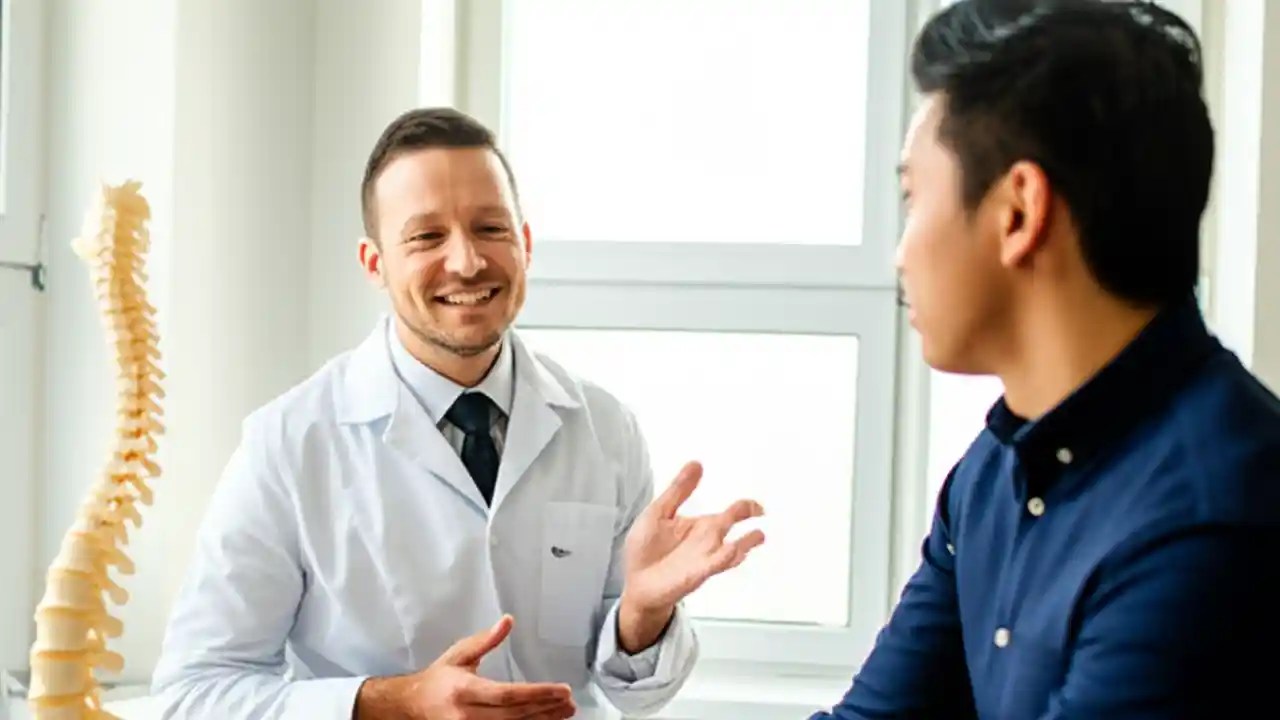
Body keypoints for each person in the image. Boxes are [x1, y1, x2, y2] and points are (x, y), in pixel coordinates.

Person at [150, 107, 767, 720]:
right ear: (375, 264)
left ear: (524, 244)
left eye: (490, 228)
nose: (467, 262)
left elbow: (640, 692)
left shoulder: (604, 428)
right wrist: (394, 702)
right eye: (425, 237)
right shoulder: (288, 444)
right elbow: (195, 694)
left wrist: (643, 614)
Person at [813, 1, 1280, 718]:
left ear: (1020, 212)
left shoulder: (1211, 513)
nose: (900, 254)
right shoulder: (994, 470)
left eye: (913, 198)